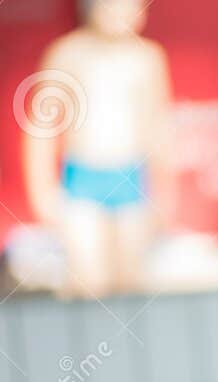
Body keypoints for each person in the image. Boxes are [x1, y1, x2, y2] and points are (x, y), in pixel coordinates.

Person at [20, 0, 172, 296]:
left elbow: (158, 129)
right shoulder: (67, 54)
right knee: (88, 283)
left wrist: (164, 195)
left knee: (131, 285)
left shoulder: (148, 58)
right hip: (83, 181)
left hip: (131, 179)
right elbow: (41, 129)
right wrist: (42, 192)